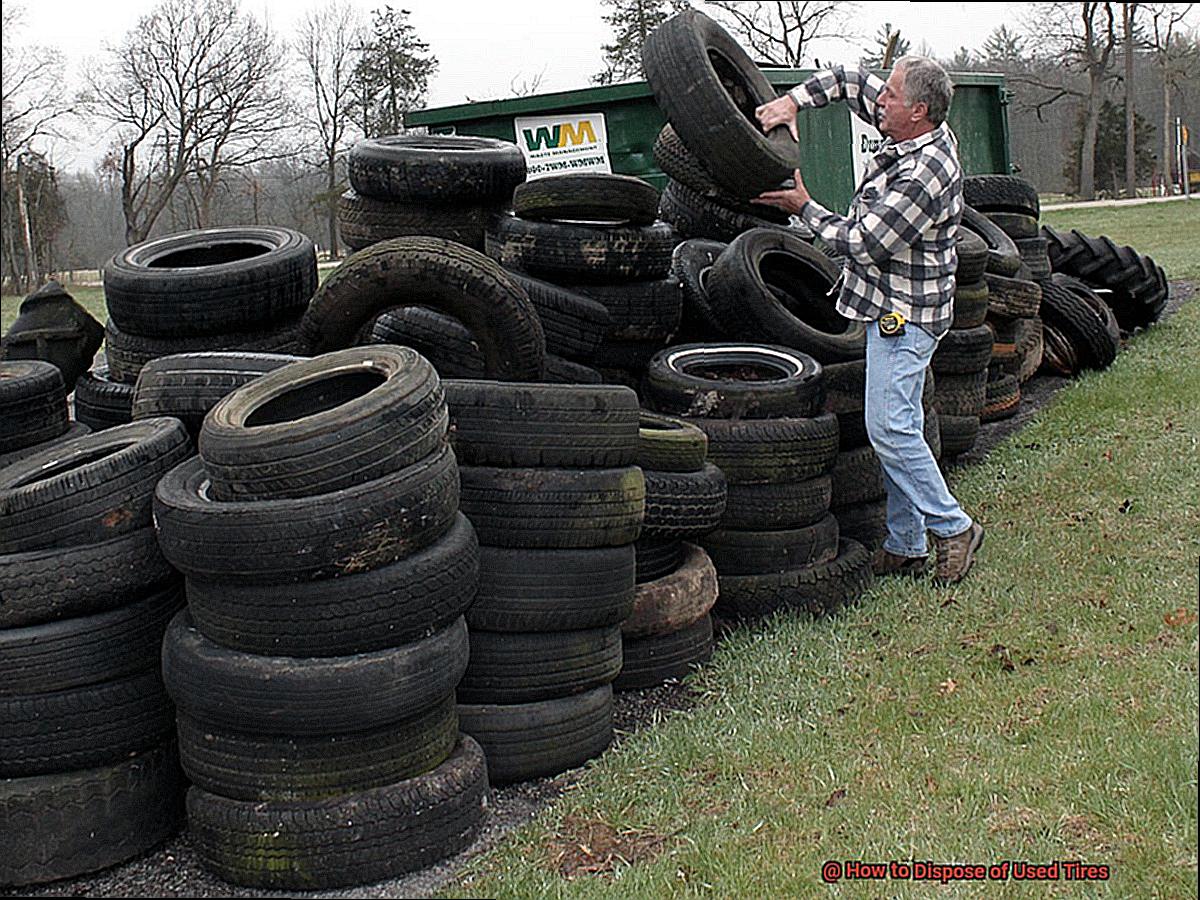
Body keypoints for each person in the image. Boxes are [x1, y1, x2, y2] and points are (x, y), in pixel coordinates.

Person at [753, 57, 984, 585]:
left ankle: (953, 527)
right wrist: (794, 102)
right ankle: (905, 544)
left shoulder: (927, 172)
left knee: (889, 427)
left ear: (918, 111)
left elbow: (865, 243)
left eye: (892, 97)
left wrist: (804, 207)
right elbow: (850, 80)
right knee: (894, 425)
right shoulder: (907, 122)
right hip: (887, 305)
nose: (879, 101)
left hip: (907, 312)